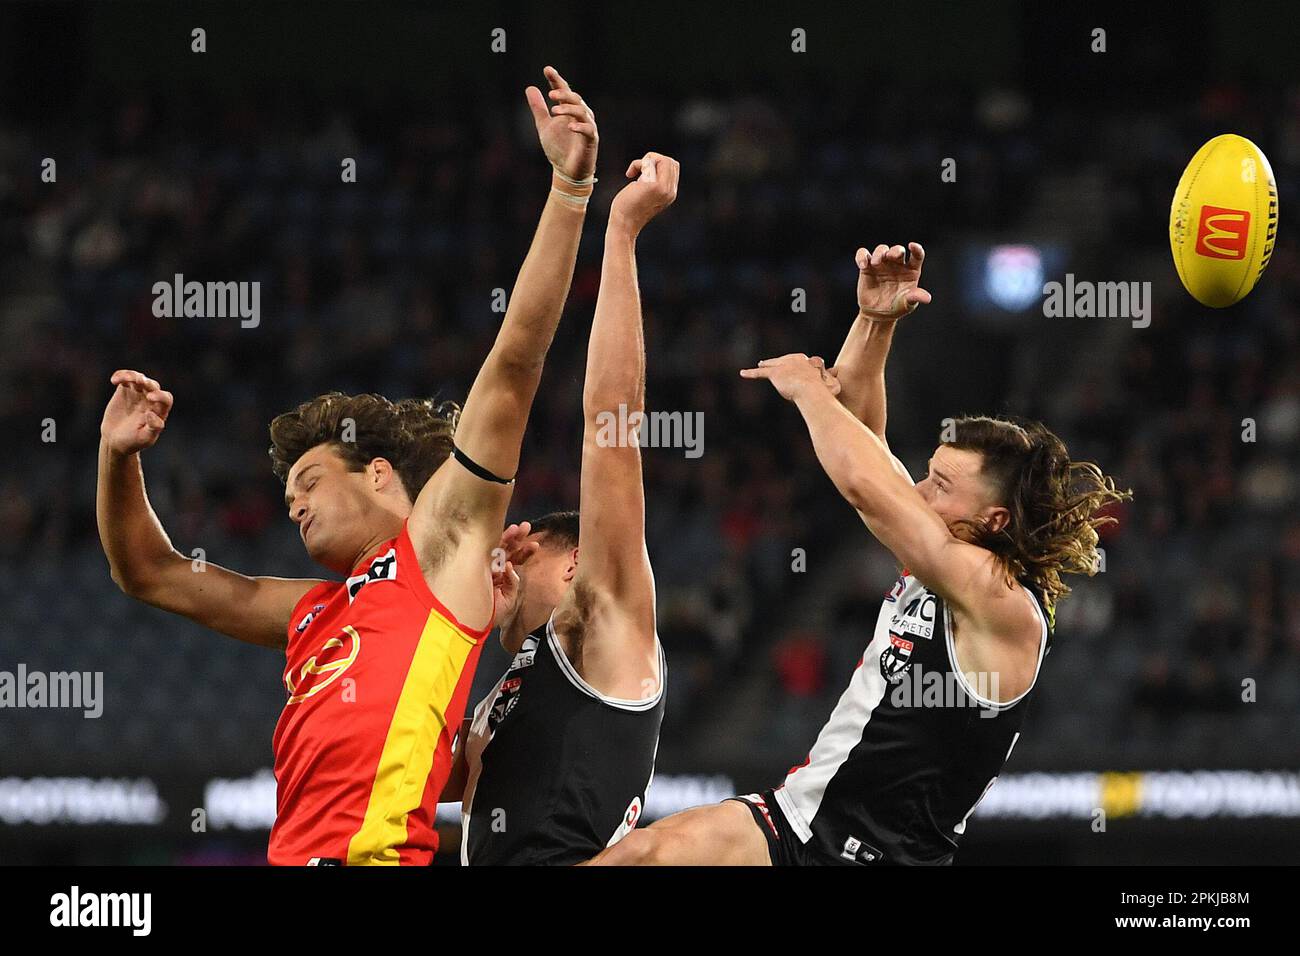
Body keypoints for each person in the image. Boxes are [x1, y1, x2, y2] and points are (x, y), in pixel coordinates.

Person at [96, 66, 599, 866]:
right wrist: (118, 459)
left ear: (377, 476)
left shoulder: (440, 550)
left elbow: (512, 368)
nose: (292, 504)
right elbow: (149, 573)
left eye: (309, 480)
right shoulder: (307, 614)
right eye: (287, 491)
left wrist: (570, 192)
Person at [586, 243, 1131, 865]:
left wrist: (804, 390)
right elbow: (864, 445)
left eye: (940, 486)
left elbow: (864, 486)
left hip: (870, 856)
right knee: (642, 856)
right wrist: (875, 321)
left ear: (994, 521)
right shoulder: (945, 553)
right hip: (805, 821)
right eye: (927, 475)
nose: (918, 491)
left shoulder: (999, 598)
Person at [444, 152, 679, 865]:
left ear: (576, 560)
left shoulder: (605, 616)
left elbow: (612, 430)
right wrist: (468, 622)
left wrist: (621, 234)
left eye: (524, 551)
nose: (505, 559)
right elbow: (419, 773)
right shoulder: (509, 689)